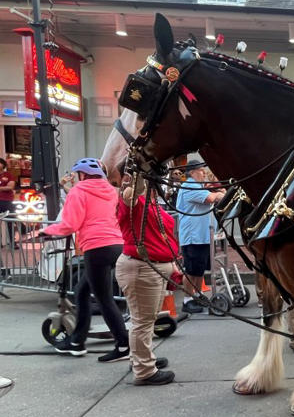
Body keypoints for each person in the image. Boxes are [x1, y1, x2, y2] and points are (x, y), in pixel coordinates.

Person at [41, 158, 129, 361]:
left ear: (82, 175)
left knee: (104, 299)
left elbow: (69, 224)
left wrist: (46, 231)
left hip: (97, 247)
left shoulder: (79, 191)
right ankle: (76, 341)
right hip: (117, 244)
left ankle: (123, 345)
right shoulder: (110, 190)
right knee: (81, 292)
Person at [115, 174, 177, 385]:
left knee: (145, 319)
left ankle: (142, 359)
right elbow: (134, 191)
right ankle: (144, 370)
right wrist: (139, 172)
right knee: (142, 320)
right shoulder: (134, 199)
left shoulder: (149, 202)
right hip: (143, 268)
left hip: (152, 267)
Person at [176, 159, 224, 313]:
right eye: (201, 170)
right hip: (193, 236)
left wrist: (218, 192)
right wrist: (220, 192)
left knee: (199, 268)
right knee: (191, 269)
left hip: (202, 235)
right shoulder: (189, 185)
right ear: (192, 172)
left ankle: (197, 294)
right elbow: (212, 198)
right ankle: (187, 299)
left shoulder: (198, 186)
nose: (204, 173)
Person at [0, 158, 17, 247]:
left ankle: (12, 242)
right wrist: (4, 187)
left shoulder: (8, 175)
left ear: (3, 165)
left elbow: (10, 187)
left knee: (10, 222)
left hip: (7, 201)